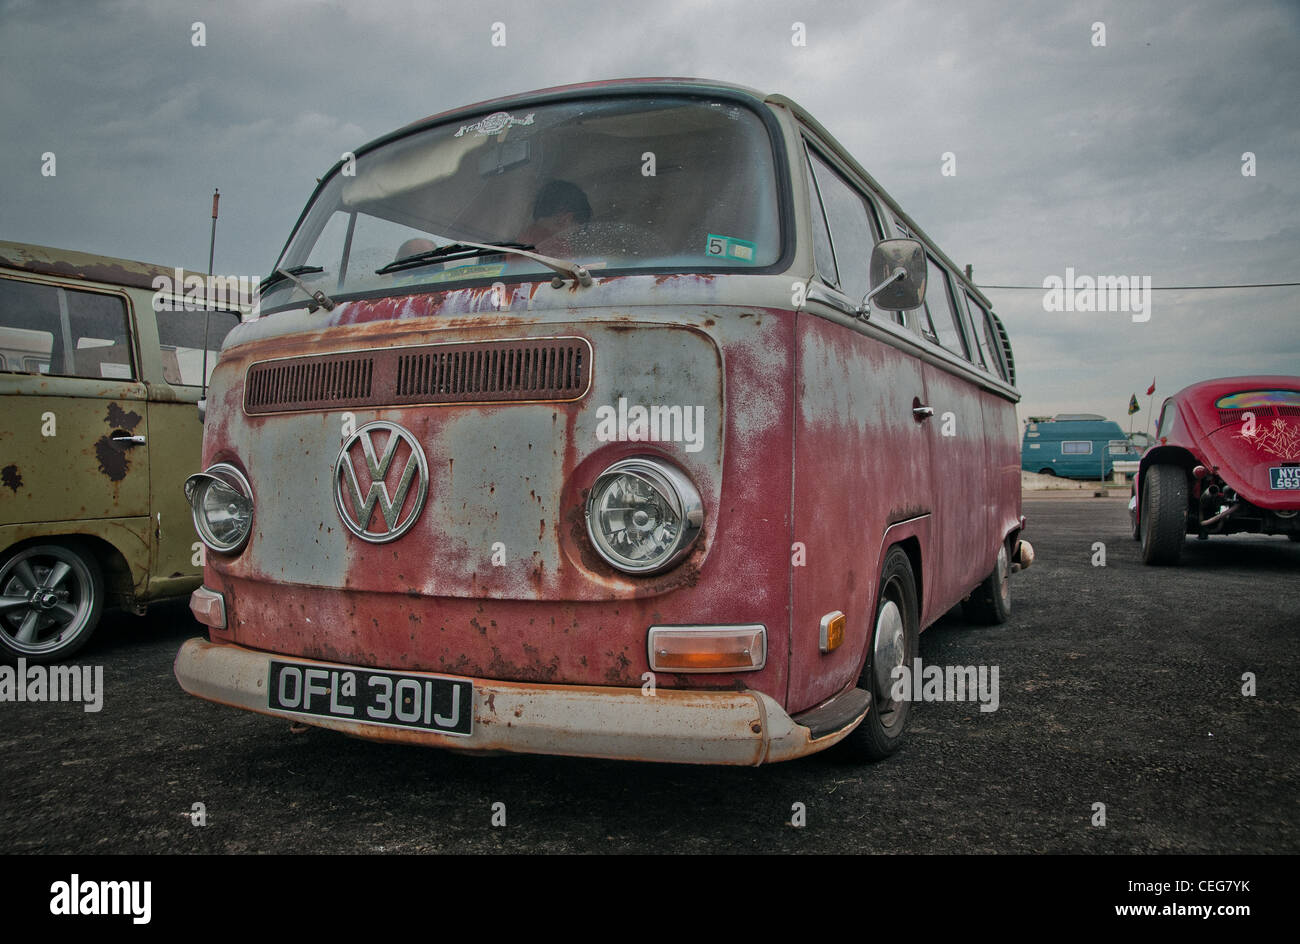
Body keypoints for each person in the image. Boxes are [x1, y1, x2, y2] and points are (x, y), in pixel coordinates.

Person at [517, 180, 591, 254]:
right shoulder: (557, 247)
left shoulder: (520, 241)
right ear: (566, 219)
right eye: (574, 233)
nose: (569, 239)